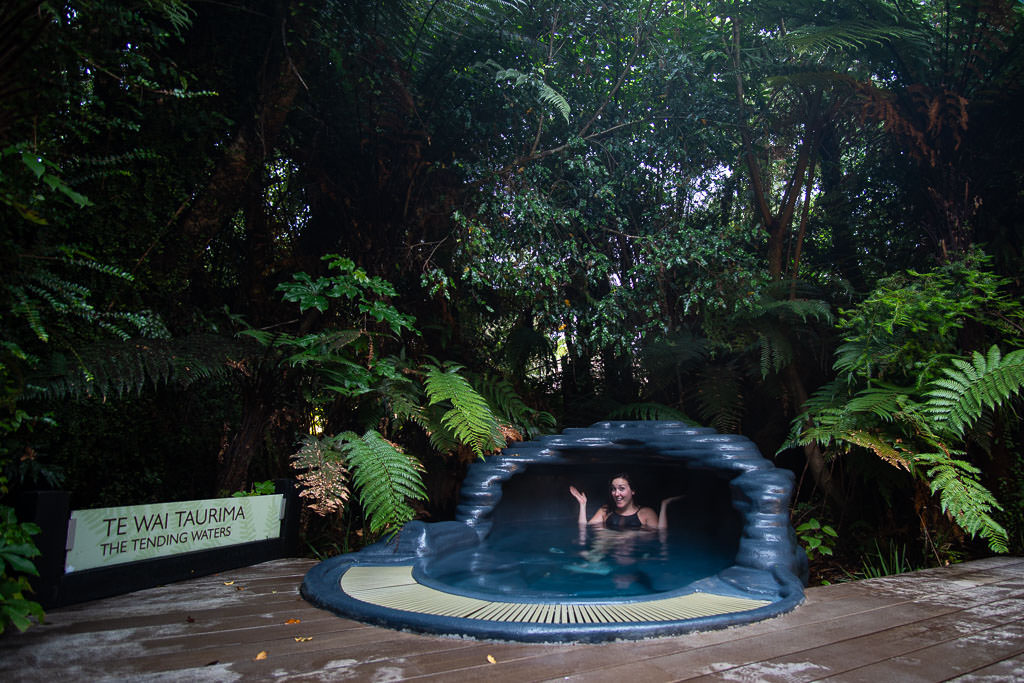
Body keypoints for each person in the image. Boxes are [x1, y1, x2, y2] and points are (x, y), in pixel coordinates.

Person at [569, 473, 683, 530]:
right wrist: (582, 505)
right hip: (606, 552)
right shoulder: (605, 510)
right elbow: (584, 529)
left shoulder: (645, 513)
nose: (616, 493)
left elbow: (660, 534)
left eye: (621, 488)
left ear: (633, 491)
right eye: (613, 489)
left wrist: (664, 505)